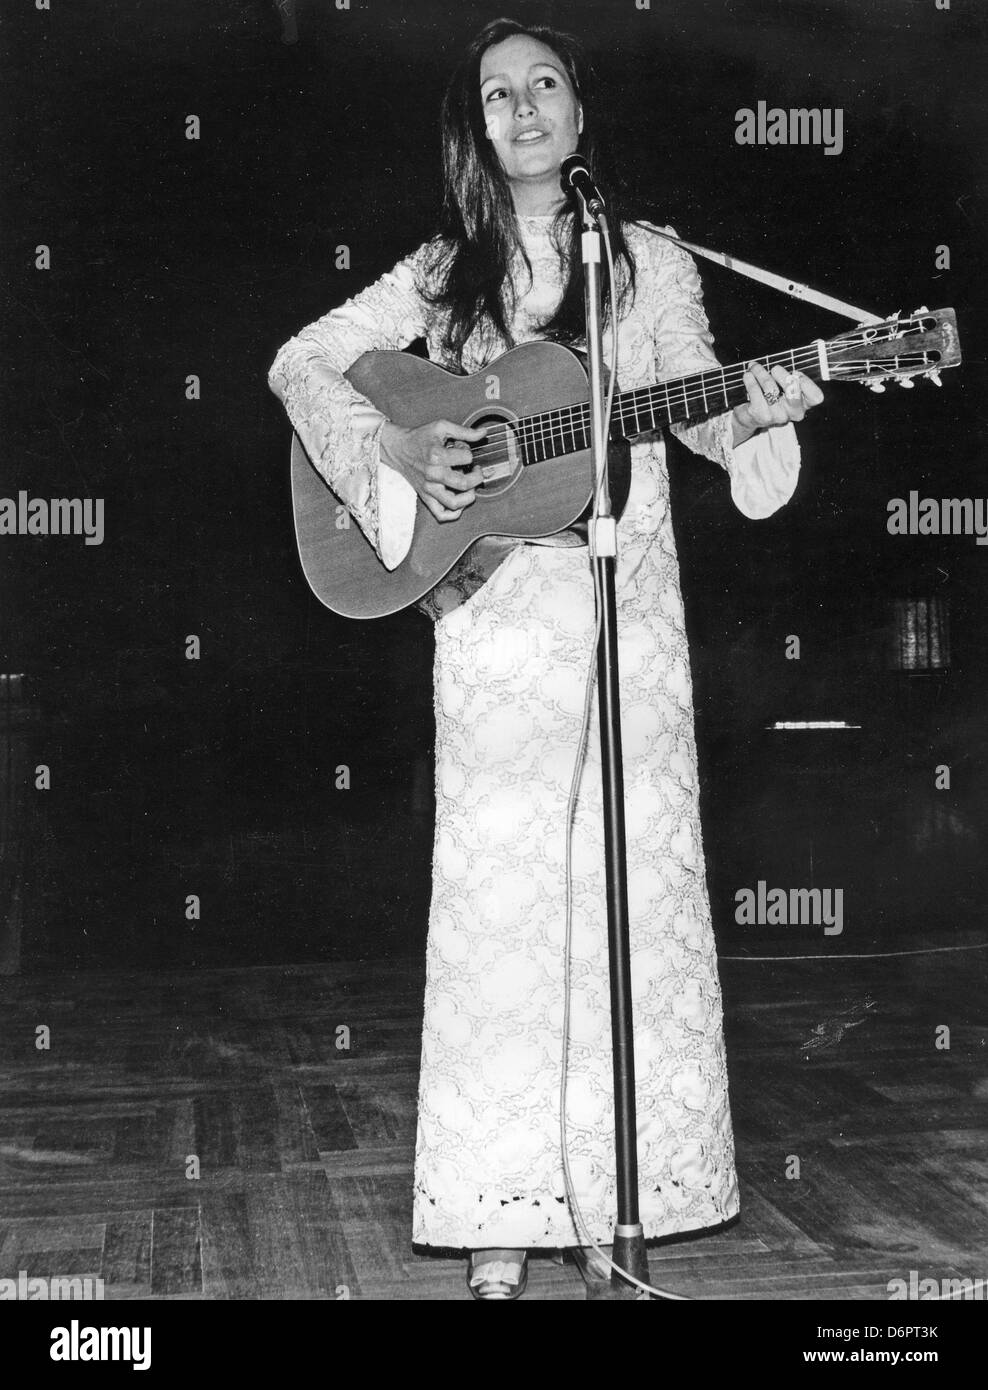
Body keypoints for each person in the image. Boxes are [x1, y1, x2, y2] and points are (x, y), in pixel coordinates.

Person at [268, 17, 824, 1300]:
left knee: (623, 896)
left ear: (582, 112)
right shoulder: (437, 268)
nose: (522, 110)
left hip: (630, 606)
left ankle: (614, 1198)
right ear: (477, 125)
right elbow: (300, 360)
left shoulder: (649, 263)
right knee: (508, 909)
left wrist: (759, 403)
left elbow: (692, 399)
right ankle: (498, 1213)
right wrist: (400, 450)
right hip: (494, 614)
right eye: (495, 94)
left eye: (544, 86)